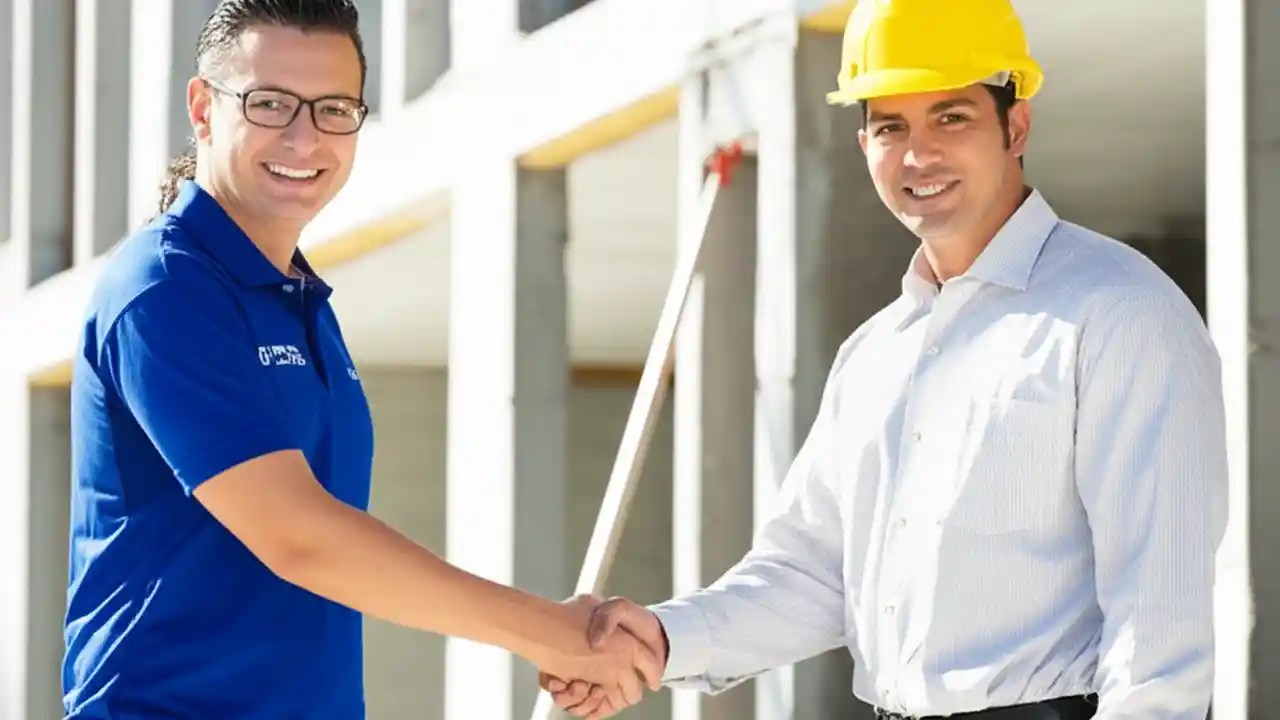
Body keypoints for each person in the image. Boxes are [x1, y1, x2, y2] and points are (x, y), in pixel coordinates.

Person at [544, 0, 1229, 717]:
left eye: (951, 117)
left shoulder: (1118, 314)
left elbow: (1160, 619)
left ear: (1016, 125)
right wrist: (660, 639)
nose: (918, 155)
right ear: (864, 142)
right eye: (890, 126)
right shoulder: (875, 353)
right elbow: (812, 573)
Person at [63, 2, 660, 718]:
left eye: (334, 109)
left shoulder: (298, 299)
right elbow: (299, 538)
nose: (304, 137)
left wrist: (569, 641)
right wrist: (553, 634)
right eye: (270, 103)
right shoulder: (165, 288)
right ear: (203, 108)